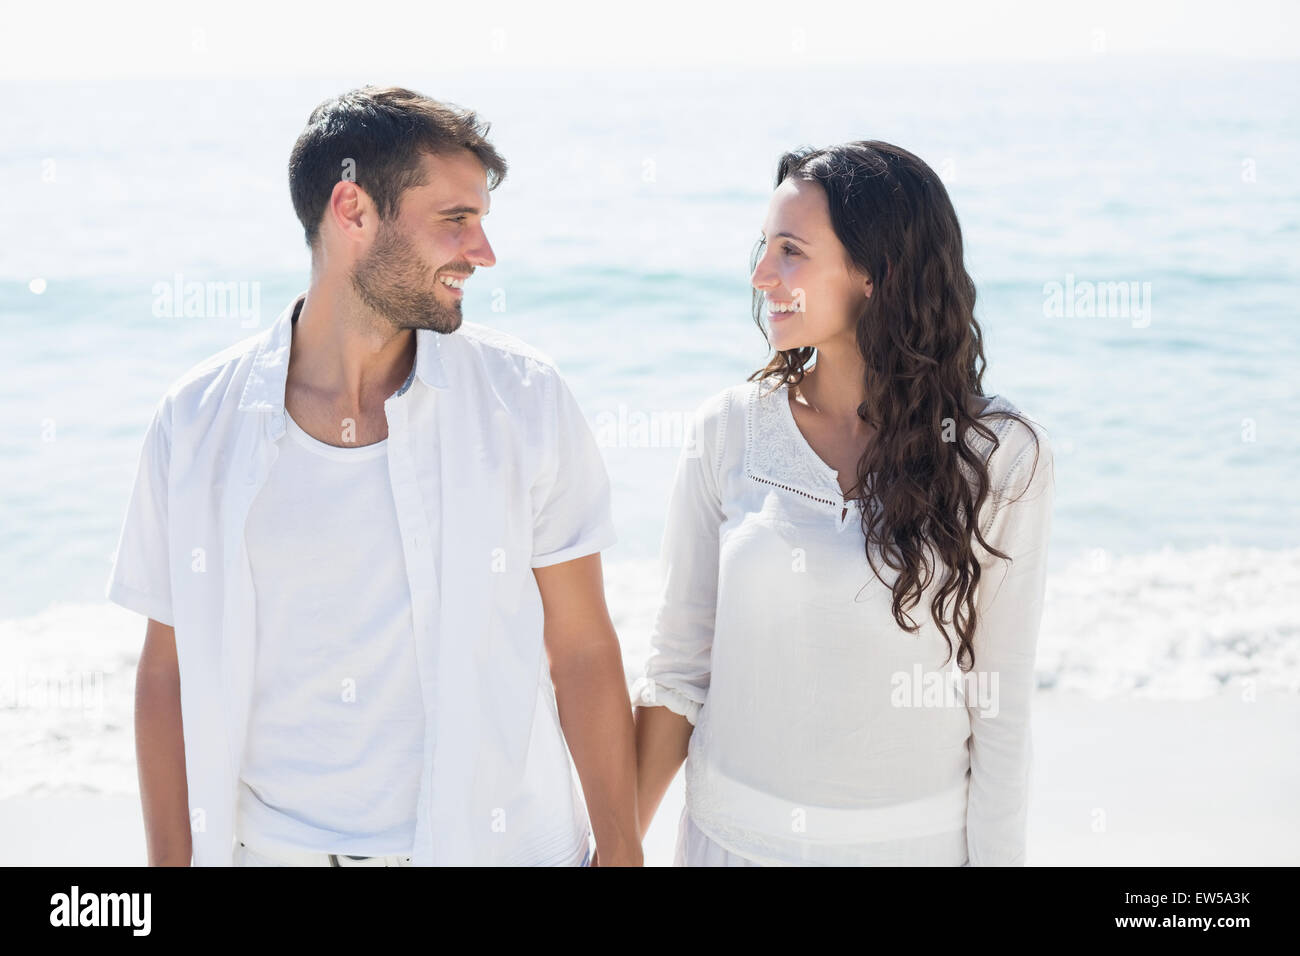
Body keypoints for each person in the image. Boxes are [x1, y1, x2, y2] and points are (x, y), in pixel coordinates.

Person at [107, 86, 640, 867]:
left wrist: (622, 852)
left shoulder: (525, 400)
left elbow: (584, 648)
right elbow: (167, 674)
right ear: (352, 209)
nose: (483, 252)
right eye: (456, 220)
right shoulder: (195, 423)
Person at [631, 141, 1055, 866]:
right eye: (764, 248)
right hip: (732, 845)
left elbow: (1000, 706)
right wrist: (611, 846)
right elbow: (677, 674)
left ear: (875, 273)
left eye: (791, 251)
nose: (762, 275)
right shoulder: (728, 430)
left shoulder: (999, 454)